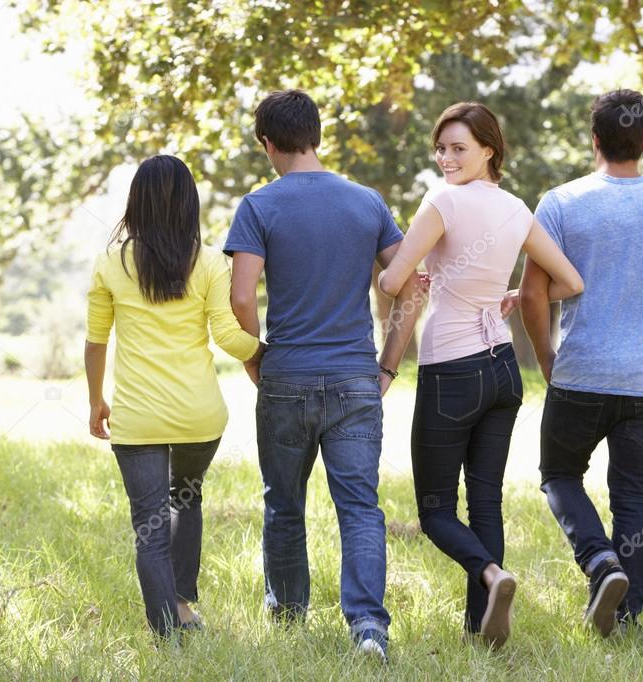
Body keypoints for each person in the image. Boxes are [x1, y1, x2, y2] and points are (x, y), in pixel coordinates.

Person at [224, 89, 422, 662]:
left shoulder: (258, 207)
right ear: (316, 135)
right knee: (359, 505)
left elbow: (241, 297)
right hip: (357, 377)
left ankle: (287, 617)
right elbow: (411, 284)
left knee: (283, 501)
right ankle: (367, 629)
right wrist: (388, 362)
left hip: (286, 374)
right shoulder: (366, 203)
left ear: (268, 144)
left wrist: (254, 357)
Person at [377, 102, 583, 648]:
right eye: (441, 148)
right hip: (502, 371)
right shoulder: (517, 209)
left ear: (489, 150)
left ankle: (492, 577)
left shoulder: (442, 202)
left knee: (436, 509)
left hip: (451, 370)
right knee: (485, 501)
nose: (446, 158)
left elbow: (394, 278)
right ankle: (482, 629)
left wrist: (409, 278)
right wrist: (517, 293)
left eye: (458, 148)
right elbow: (568, 282)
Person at [520, 89, 643, 637]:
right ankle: (627, 616)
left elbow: (532, 296)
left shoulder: (561, 202)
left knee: (558, 475)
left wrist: (548, 359)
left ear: (594, 138)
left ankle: (599, 562)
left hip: (581, 372)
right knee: (632, 495)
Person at [84, 155, 263, 640]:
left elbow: (96, 341)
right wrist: (263, 352)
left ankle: (167, 633)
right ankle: (183, 608)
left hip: (138, 419)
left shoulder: (109, 263)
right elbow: (228, 335)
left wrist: (96, 400)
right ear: (189, 204)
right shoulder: (206, 263)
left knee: (149, 525)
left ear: (136, 203)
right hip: (198, 416)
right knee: (186, 500)